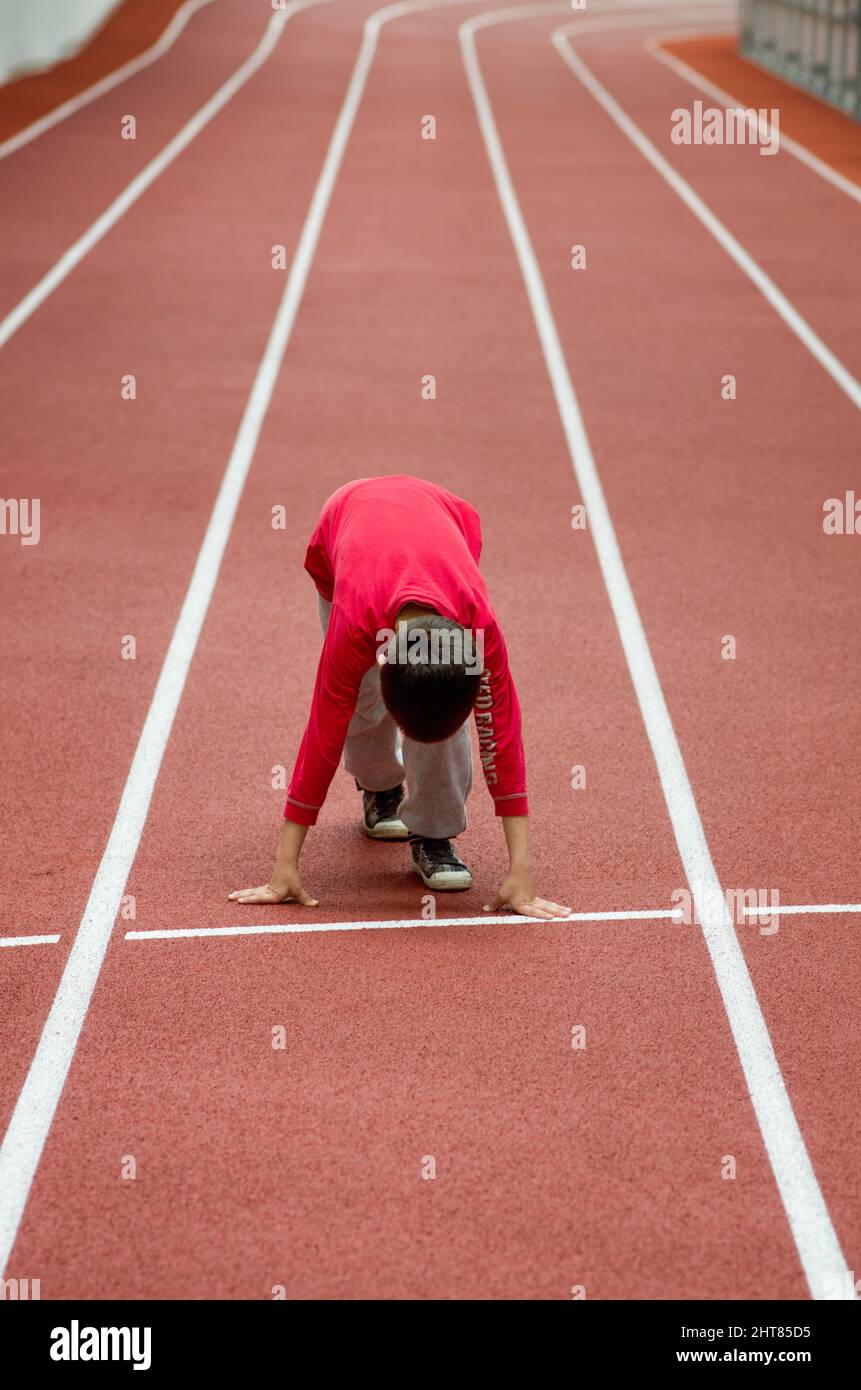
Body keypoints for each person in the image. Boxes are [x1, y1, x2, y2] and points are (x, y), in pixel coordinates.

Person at [228, 475, 570, 919]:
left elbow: (502, 736)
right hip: (344, 531)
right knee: (358, 707)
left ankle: (432, 833)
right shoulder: (353, 625)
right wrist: (284, 868)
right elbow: (322, 732)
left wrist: (521, 873)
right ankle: (379, 788)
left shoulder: (477, 627)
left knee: (439, 698)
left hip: (445, 520)